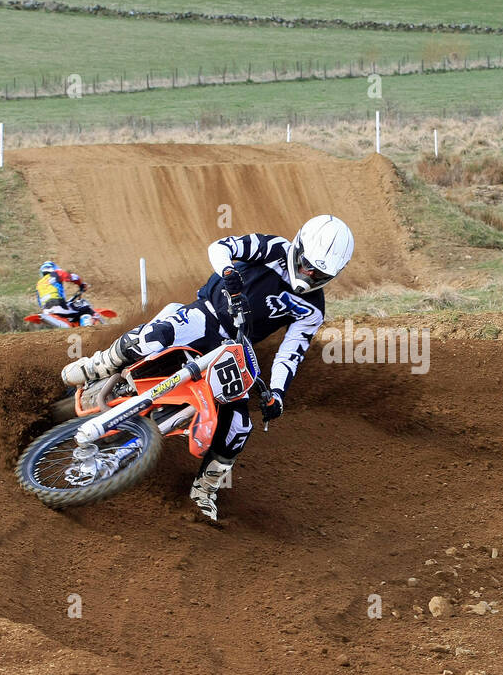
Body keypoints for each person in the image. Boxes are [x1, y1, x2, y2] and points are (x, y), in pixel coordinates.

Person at [61, 215, 355, 520]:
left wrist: (278, 393)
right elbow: (221, 246)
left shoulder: (313, 309)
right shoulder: (272, 248)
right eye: (307, 264)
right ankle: (100, 364)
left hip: (237, 349)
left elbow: (291, 353)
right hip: (208, 316)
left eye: (319, 273)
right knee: (155, 335)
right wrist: (228, 272)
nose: (309, 275)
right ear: (299, 247)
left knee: (240, 426)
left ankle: (205, 489)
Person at [36, 261, 88, 327]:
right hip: (58, 306)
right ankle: (87, 327)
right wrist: (81, 284)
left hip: (46, 311)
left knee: (70, 307)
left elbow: (39, 302)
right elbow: (73, 277)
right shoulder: (56, 273)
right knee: (83, 304)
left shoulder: (39, 284)